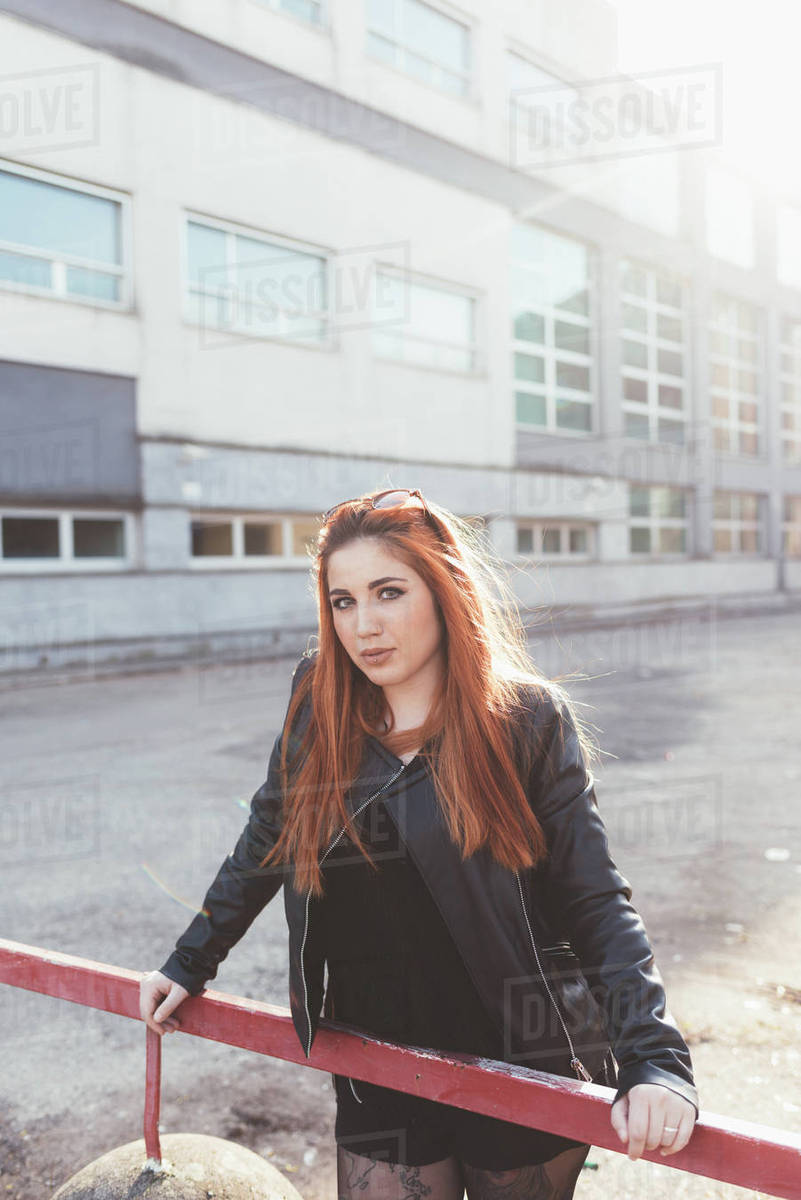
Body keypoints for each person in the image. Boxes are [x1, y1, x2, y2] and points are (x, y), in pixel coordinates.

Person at [140, 487, 699, 1200]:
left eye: (388, 593)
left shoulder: (525, 721)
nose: (363, 625)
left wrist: (654, 1061)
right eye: (342, 601)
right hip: (376, 1058)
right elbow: (269, 832)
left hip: (516, 1058)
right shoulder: (320, 698)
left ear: (443, 592)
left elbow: (595, 903)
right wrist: (190, 960)